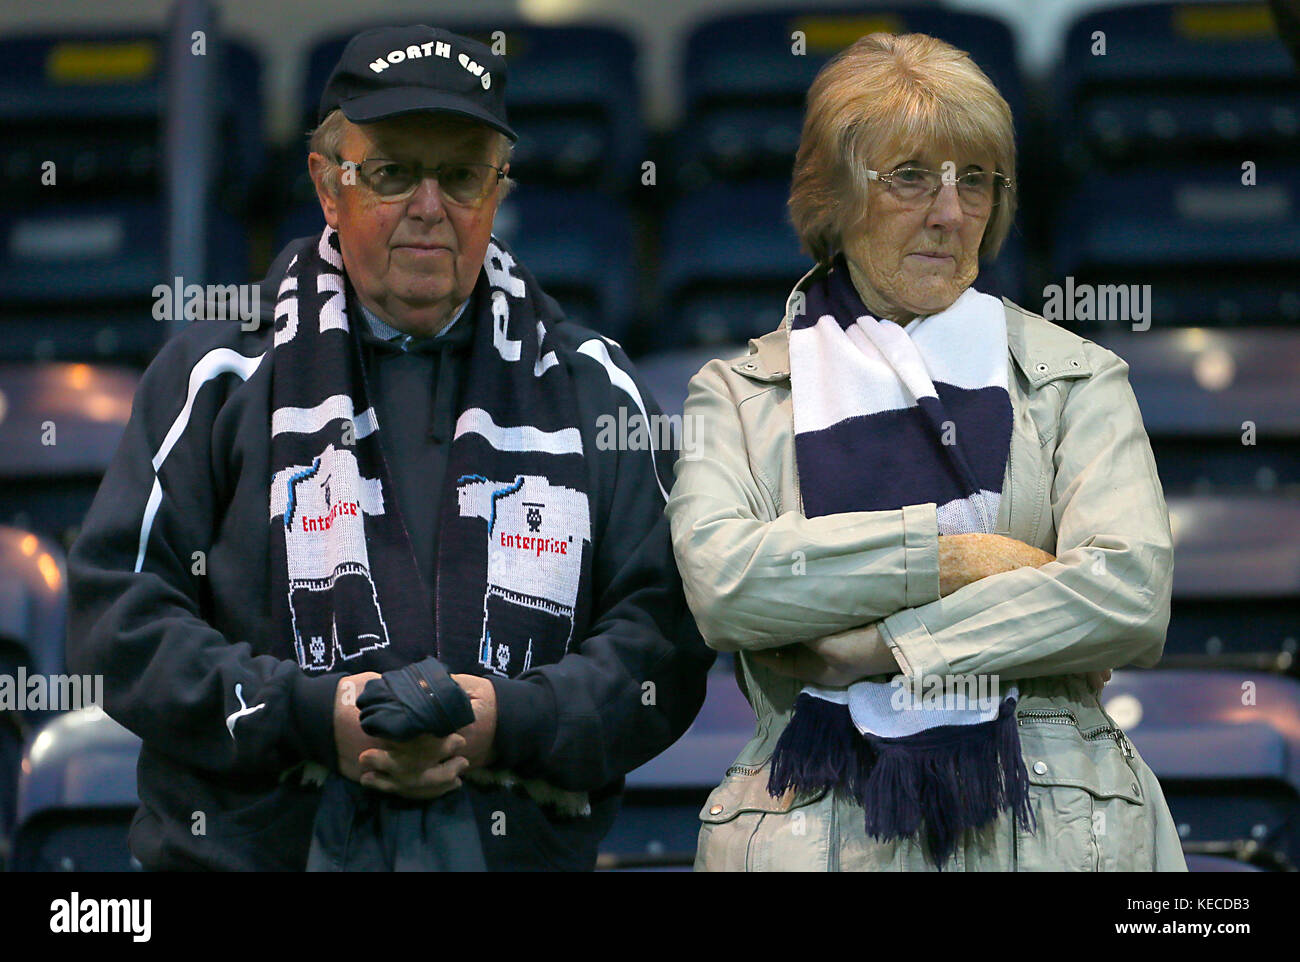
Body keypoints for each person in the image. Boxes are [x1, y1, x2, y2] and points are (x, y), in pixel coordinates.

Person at [66, 24, 711, 871]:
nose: (430, 207)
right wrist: (301, 715)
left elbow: (663, 637)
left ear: (498, 188)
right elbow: (117, 620)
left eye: (462, 175)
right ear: (327, 185)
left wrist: (510, 723)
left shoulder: (593, 387)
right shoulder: (215, 377)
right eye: (394, 172)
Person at [666, 32, 1185, 871]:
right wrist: (960, 560)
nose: (950, 213)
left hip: (1058, 825)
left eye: (973, 179)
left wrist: (886, 648)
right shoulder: (737, 394)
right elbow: (730, 588)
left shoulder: (1073, 377)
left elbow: (1128, 592)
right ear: (833, 195)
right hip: (812, 829)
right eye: (910, 177)